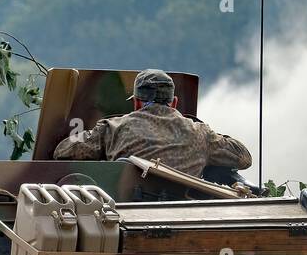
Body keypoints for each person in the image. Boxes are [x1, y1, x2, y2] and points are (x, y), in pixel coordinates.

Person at [53, 69, 252, 176]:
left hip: (126, 219)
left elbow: (62, 152)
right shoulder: (200, 133)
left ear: (137, 103)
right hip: (182, 220)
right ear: (174, 103)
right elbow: (243, 158)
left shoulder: (113, 128)